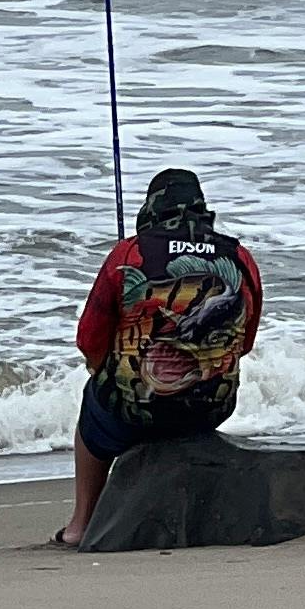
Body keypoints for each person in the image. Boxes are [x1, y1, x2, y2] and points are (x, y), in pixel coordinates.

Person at [59, 167, 263, 546]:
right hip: (213, 408)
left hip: (133, 412)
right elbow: (245, 343)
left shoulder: (128, 254)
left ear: (151, 208)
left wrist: (106, 370)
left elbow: (89, 340)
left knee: (93, 402)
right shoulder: (240, 258)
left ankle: (81, 524)